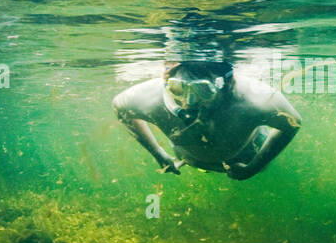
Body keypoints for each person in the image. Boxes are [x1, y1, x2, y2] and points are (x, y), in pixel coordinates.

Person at [113, 60, 302, 180]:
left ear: (225, 86)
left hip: (245, 157)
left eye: (203, 90)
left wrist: (254, 167)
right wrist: (158, 153)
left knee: (263, 171)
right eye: (178, 89)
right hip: (188, 157)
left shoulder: (254, 99)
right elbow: (120, 109)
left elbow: (292, 123)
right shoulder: (149, 95)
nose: (189, 102)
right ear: (166, 83)